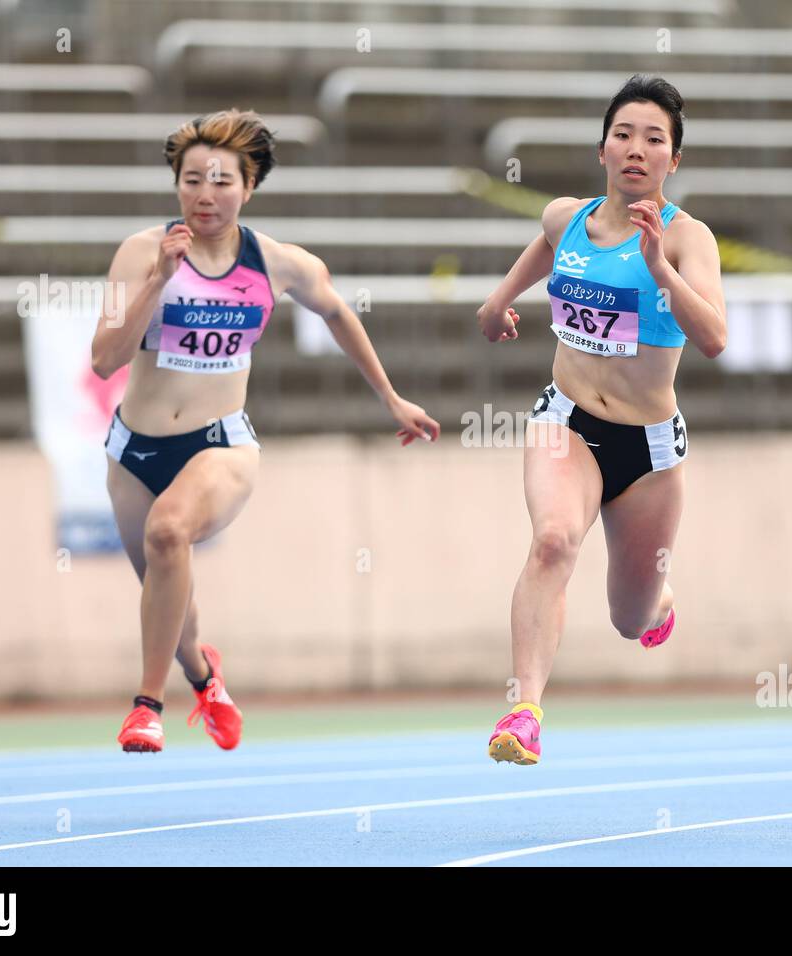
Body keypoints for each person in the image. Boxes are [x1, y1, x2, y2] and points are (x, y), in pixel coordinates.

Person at [91, 109, 439, 753]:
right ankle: (203, 677)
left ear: (248, 188)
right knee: (171, 600)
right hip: (133, 451)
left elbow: (338, 314)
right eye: (191, 179)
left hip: (220, 445)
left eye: (222, 181)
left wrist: (390, 397)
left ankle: (146, 706)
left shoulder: (277, 264)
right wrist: (155, 284)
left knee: (170, 532)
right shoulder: (142, 253)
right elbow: (104, 358)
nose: (205, 194)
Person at [476, 76, 727, 765]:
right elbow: (545, 245)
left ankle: (660, 601)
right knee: (553, 542)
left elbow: (714, 338)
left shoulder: (687, 239)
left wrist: (660, 271)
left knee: (629, 617)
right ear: (602, 150)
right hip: (567, 422)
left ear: (673, 160)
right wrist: (499, 301)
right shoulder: (567, 217)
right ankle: (523, 710)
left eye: (655, 139)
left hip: (648, 452)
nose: (637, 149)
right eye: (624, 134)